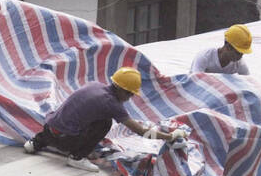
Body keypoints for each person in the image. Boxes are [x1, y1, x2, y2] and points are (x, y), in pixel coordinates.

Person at [22, 67, 183, 159]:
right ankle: (77, 157)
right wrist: (170, 136)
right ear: (120, 89)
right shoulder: (112, 104)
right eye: (129, 93)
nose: (130, 97)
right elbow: (141, 131)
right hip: (65, 141)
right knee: (105, 122)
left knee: (77, 117)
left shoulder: (95, 86)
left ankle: (37, 142)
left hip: (49, 130)